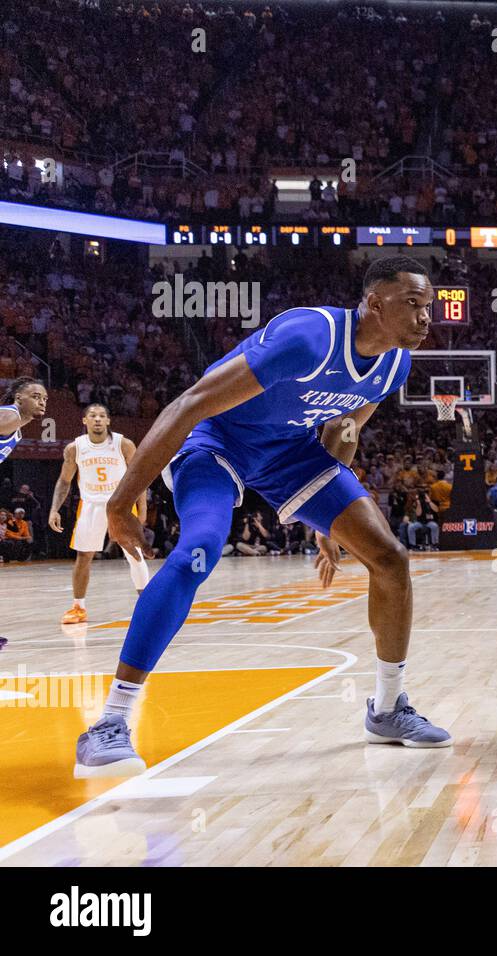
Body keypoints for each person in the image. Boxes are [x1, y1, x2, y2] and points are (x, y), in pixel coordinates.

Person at [74, 256, 452, 778]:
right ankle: (109, 721)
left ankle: (387, 709)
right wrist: (120, 505)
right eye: (413, 303)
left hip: (288, 451)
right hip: (217, 441)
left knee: (390, 558)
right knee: (198, 553)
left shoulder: (395, 366)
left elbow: (343, 430)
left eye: (428, 305)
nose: (425, 316)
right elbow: (191, 405)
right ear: (374, 303)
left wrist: (328, 524)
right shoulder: (309, 338)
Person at [48, 405, 151, 625]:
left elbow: (139, 478)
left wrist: (142, 510)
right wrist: (54, 509)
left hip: (121, 505)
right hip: (90, 505)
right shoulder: (75, 448)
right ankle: (78, 608)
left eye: (102, 416)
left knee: (135, 554)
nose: (97, 419)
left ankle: (147, 605)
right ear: (84, 421)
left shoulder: (123, 444)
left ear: (108, 421)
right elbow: (64, 481)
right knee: (84, 556)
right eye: (92, 416)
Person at [0, 377, 48, 467]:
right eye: (36, 397)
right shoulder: (10, 417)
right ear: (18, 398)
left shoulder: (15, 425)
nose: (42, 403)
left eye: (45, 399)